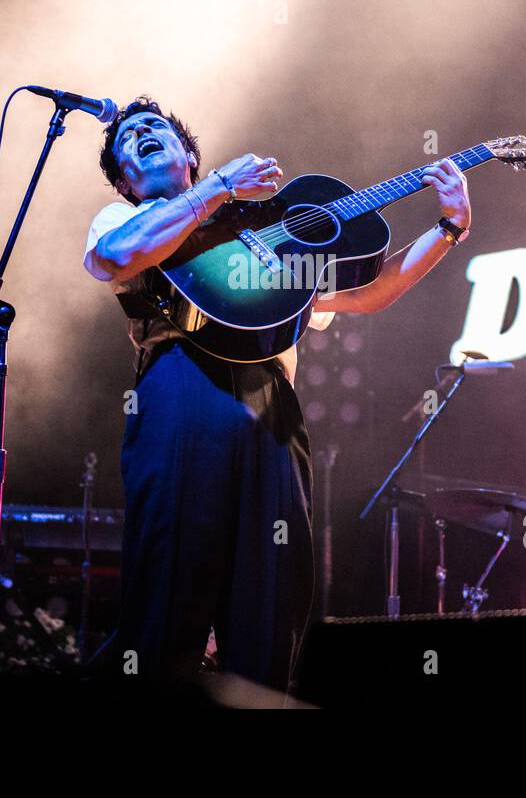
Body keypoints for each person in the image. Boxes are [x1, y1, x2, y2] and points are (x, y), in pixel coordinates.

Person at [84, 96, 472, 693]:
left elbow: (368, 293)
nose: (141, 134)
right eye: (128, 139)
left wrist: (449, 228)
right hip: (181, 395)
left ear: (187, 153)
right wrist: (213, 188)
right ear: (126, 179)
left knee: (271, 603)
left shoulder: (260, 229)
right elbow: (118, 256)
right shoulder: (121, 219)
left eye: (154, 126)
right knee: (167, 598)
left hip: (272, 411)